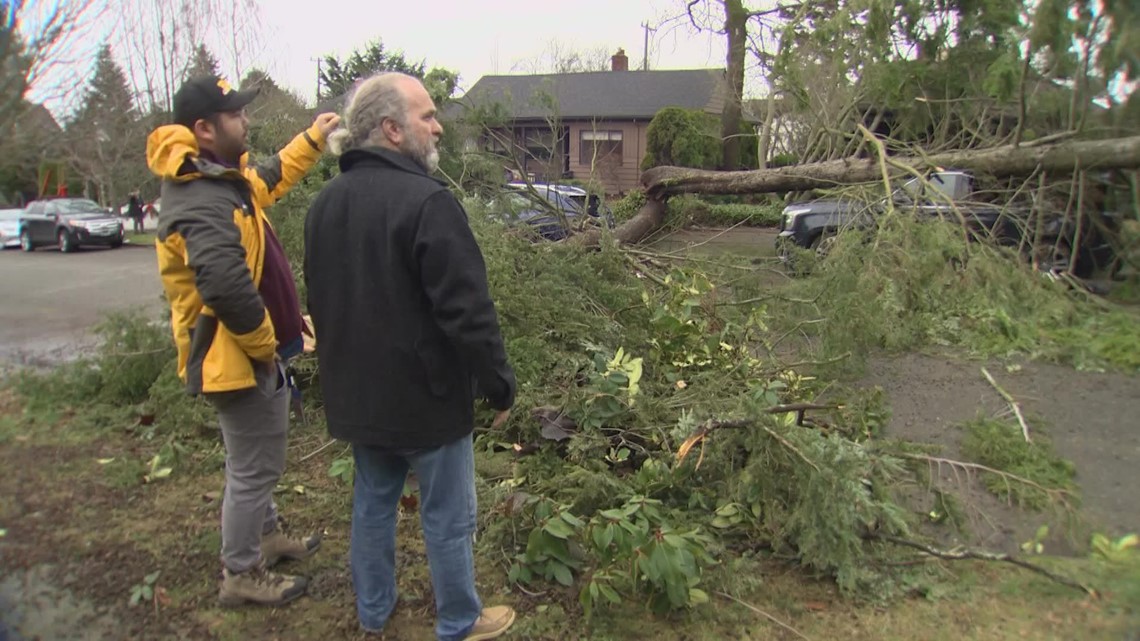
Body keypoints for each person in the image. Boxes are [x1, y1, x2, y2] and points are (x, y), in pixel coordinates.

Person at [303, 72, 517, 641]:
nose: (438, 124)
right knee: (448, 517)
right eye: (426, 115)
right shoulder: (429, 202)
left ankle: (374, 614)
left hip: (361, 402)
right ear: (392, 130)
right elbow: (469, 311)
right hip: (429, 403)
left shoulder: (325, 204)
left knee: (372, 508)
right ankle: (458, 620)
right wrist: (499, 385)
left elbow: (321, 303)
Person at [144, 74, 341, 607]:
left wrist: (313, 138)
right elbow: (226, 287)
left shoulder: (218, 180)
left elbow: (267, 180)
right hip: (238, 359)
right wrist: (264, 347)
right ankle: (241, 572)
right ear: (205, 128)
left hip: (252, 354)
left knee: (255, 461)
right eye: (235, 115)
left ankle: (265, 535)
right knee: (254, 468)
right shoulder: (200, 196)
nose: (246, 120)